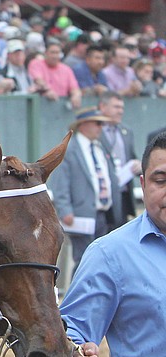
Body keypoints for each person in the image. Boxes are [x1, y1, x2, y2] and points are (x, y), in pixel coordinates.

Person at [60, 130, 166, 357]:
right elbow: (68, 332)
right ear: (142, 184)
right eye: (161, 180)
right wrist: (78, 356)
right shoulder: (110, 254)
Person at [50, 106, 121, 266]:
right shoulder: (70, 149)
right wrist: (65, 210)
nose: (100, 128)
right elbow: (61, 184)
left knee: (102, 259)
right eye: (97, 123)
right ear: (83, 125)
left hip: (104, 214)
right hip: (81, 214)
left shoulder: (99, 147)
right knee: (84, 260)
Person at [98, 92, 141, 224]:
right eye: (116, 107)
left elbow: (132, 157)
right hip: (102, 198)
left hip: (123, 196)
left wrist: (139, 165)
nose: (120, 111)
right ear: (103, 107)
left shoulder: (127, 132)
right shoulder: (94, 131)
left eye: (122, 108)